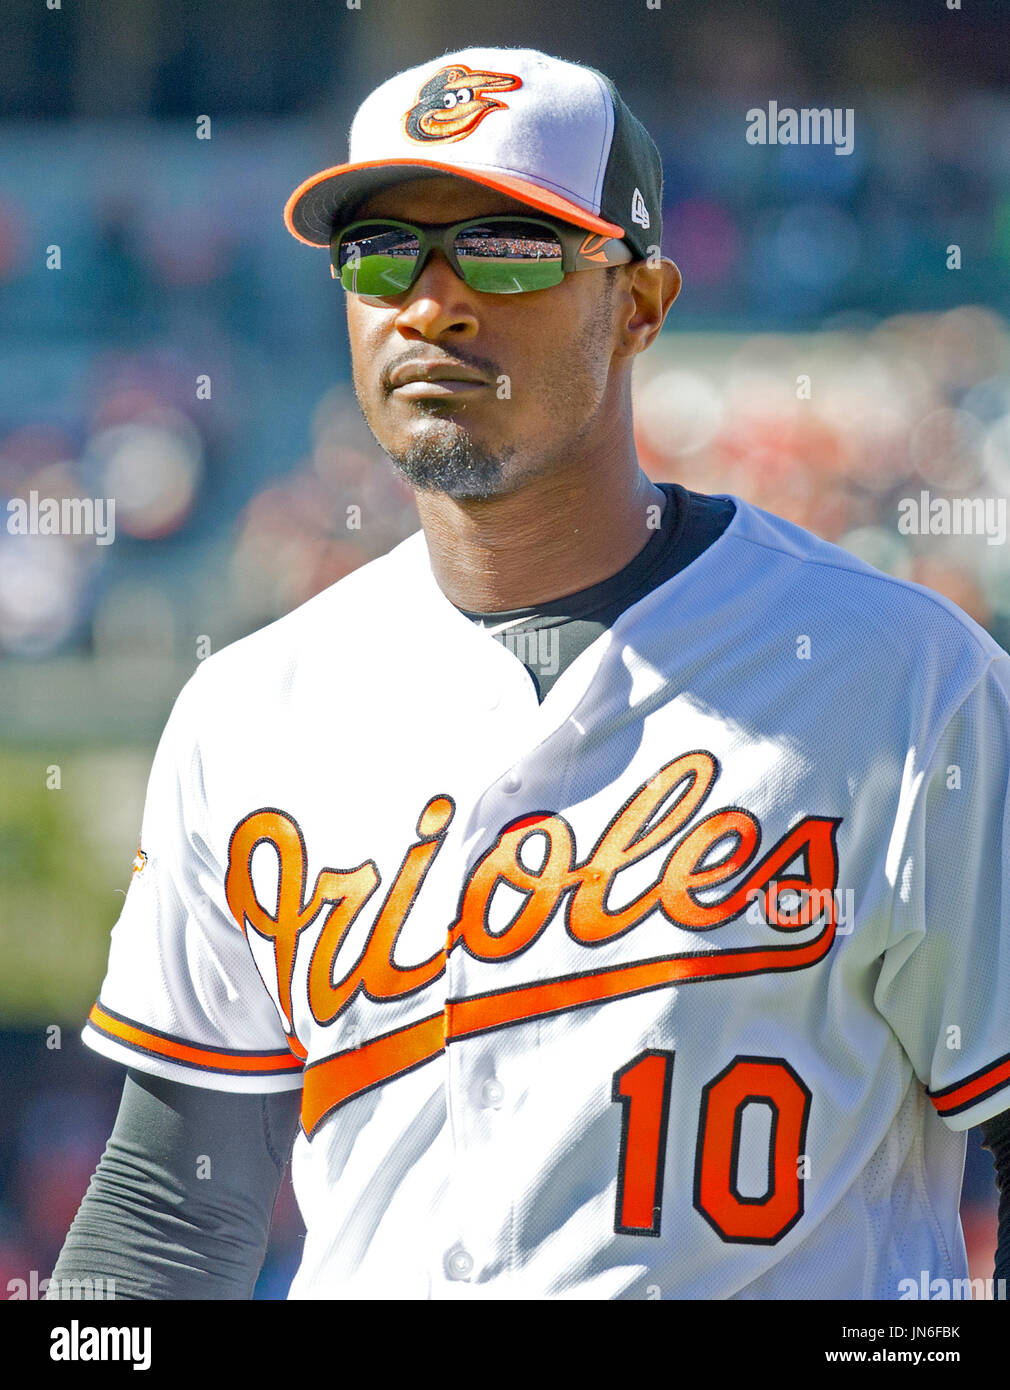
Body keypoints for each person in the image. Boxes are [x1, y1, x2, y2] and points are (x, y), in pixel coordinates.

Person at [49, 46, 1009, 1301]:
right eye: (381, 251)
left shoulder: (902, 679)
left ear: (641, 304)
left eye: (504, 247)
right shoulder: (247, 713)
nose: (431, 302)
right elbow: (171, 1214)